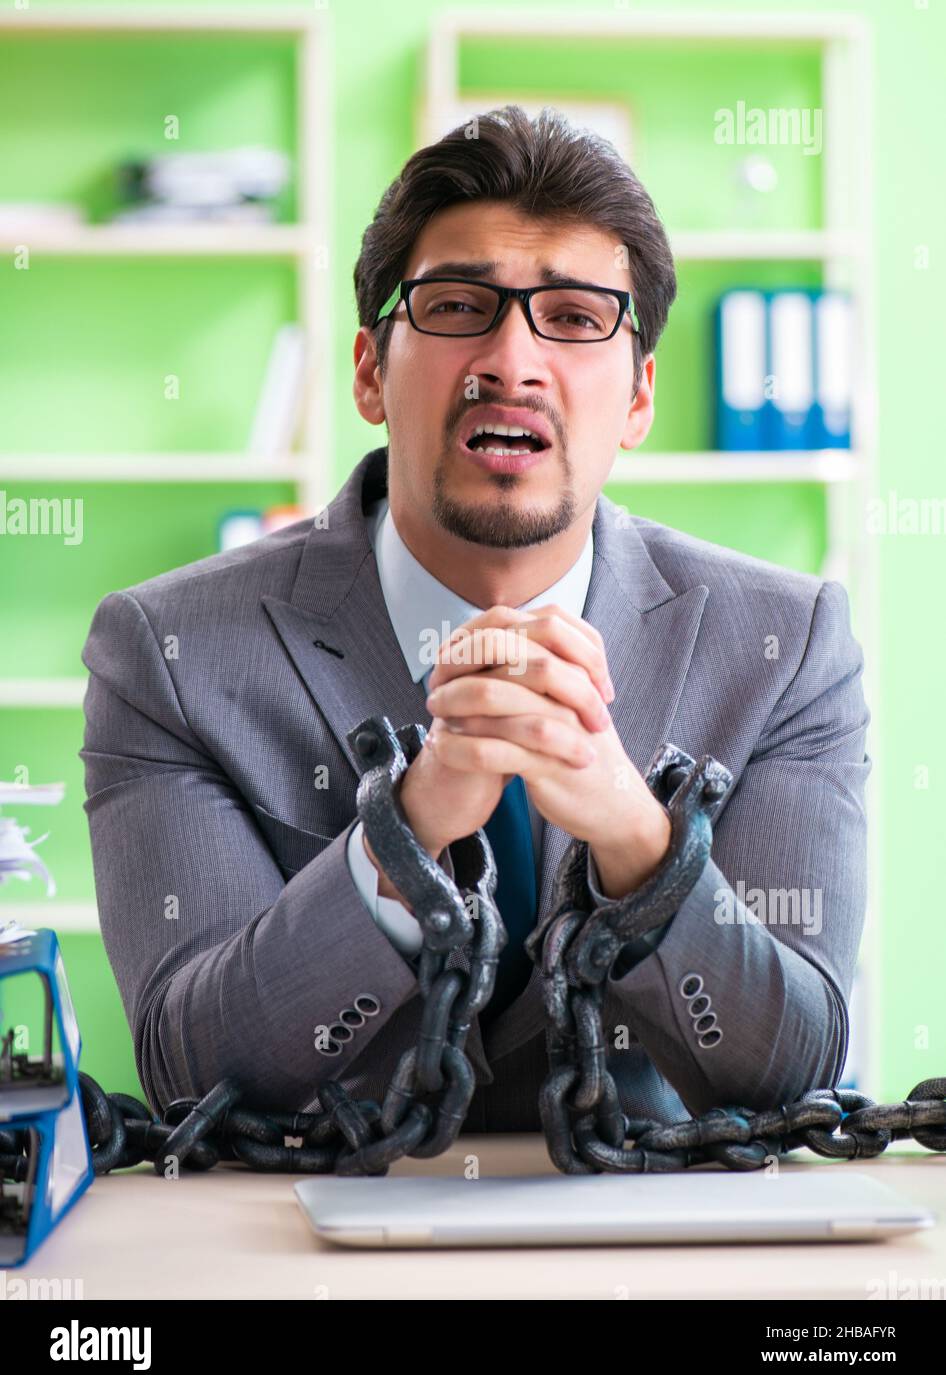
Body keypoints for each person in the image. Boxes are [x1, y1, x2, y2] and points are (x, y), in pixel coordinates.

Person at [80, 107, 870, 1133]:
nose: (512, 360)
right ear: (369, 370)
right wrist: (403, 834)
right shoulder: (167, 653)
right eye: (457, 306)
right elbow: (196, 1072)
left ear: (637, 398)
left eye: (577, 319)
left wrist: (638, 839)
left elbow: (797, 1073)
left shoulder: (789, 646)